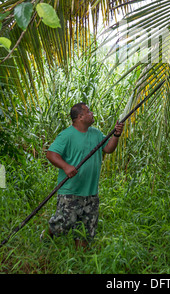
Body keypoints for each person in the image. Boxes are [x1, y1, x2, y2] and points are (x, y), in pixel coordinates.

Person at [45, 102, 124, 249]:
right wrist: (66, 166)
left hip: (90, 192)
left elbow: (108, 148)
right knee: (63, 223)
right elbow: (51, 154)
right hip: (70, 191)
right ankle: (46, 236)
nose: (92, 113)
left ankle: (80, 256)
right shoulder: (66, 135)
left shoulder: (96, 134)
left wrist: (116, 134)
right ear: (80, 117)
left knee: (86, 229)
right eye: (88, 112)